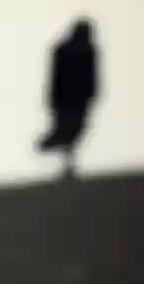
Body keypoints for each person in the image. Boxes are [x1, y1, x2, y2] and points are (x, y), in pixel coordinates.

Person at [37, 18, 99, 181]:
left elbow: (91, 77)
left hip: (72, 100)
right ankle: (67, 163)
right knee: (70, 132)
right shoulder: (77, 51)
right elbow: (58, 77)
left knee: (72, 132)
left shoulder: (70, 50)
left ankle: (66, 162)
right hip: (71, 100)